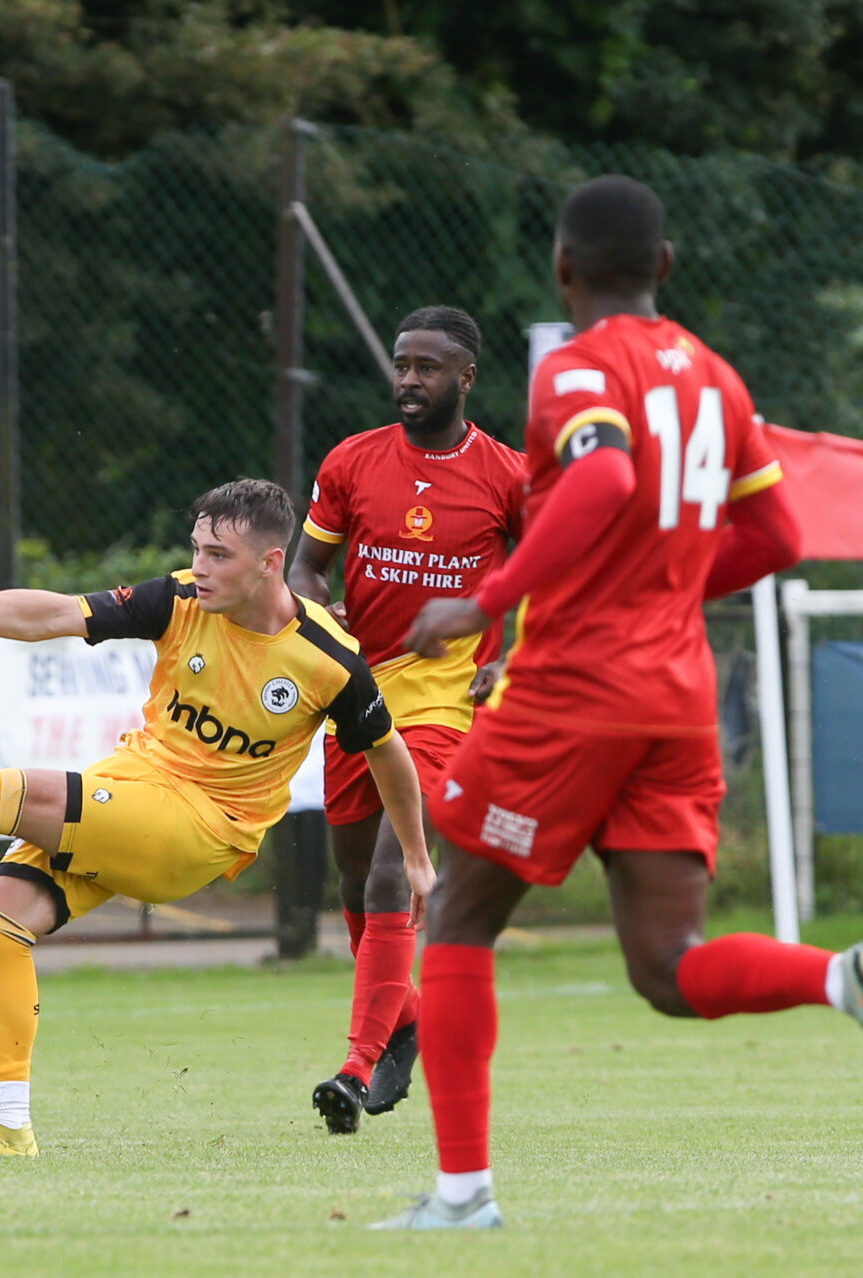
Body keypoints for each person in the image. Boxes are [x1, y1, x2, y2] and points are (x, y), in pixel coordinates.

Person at [376, 176, 857, 1230]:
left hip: (573, 691)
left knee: (458, 914)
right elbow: (774, 541)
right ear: (666, 267)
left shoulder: (577, 368)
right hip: (676, 700)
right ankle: (843, 980)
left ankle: (461, 1198)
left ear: (561, 268)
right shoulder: (718, 380)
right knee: (665, 967)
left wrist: (487, 600)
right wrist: (670, 586)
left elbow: (599, 482)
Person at [0, 479, 433, 1156]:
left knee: (14, 792)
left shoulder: (329, 659)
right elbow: (55, 615)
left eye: (218, 555)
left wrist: (416, 855)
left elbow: (388, 754)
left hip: (201, 831)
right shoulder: (178, 599)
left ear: (270, 563)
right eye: (196, 548)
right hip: (133, 789)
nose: (200, 567)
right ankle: (7, 1129)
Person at [288, 306, 526, 1133]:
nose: (408, 380)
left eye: (427, 367)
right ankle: (407, 1027)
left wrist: (510, 658)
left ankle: (356, 1068)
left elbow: (546, 584)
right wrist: (326, 624)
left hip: (444, 707)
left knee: (397, 875)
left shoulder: (509, 476)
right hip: (357, 693)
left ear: (466, 378)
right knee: (355, 886)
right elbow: (305, 568)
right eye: (401, 365)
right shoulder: (352, 461)